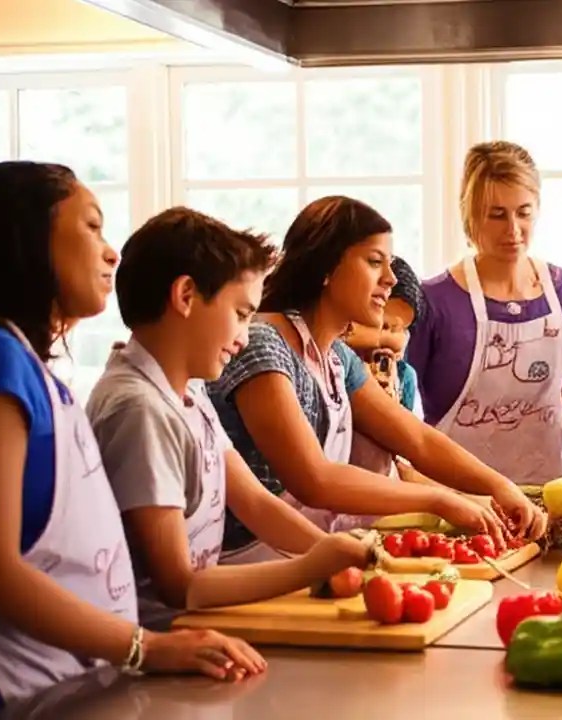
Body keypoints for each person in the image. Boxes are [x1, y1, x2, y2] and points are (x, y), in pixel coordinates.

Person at [0, 162, 263, 717]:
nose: (111, 253)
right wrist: (146, 647)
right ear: (29, 234)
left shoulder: (21, 361)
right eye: (92, 227)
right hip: (8, 690)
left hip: (66, 683)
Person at [207, 195, 544, 564]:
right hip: (245, 565)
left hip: (307, 557)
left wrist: (500, 487)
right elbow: (313, 480)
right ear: (326, 266)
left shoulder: (337, 358)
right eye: (374, 262)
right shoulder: (263, 344)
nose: (391, 279)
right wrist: (441, 500)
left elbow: (417, 440)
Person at [86, 207, 372, 629]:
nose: (244, 337)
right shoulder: (139, 409)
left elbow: (255, 502)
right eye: (240, 314)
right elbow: (178, 584)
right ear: (185, 296)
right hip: (160, 639)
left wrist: (341, 556)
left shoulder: (189, 390)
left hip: (197, 624)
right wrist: (308, 567)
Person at [408, 141, 562, 487]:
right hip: (462, 496)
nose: (513, 229)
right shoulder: (433, 301)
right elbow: (399, 413)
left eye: (523, 212)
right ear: (471, 215)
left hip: (553, 489)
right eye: (497, 215)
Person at [345, 256, 424, 413]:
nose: (392, 345)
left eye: (402, 330)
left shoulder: (403, 377)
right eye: (383, 326)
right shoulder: (332, 365)